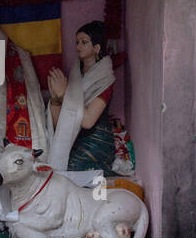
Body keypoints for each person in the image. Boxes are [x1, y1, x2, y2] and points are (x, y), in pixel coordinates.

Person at [45, 20, 132, 175]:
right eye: (77, 42)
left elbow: (87, 121)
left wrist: (65, 93)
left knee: (68, 172)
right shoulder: (75, 74)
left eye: (84, 42)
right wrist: (56, 99)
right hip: (76, 139)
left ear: (97, 48)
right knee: (51, 164)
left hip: (96, 141)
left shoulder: (105, 80)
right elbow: (60, 121)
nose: (78, 47)